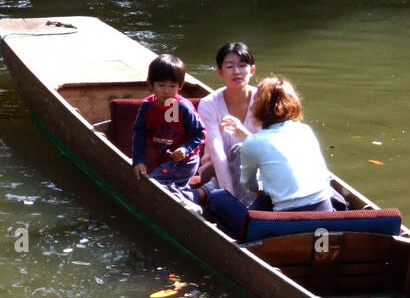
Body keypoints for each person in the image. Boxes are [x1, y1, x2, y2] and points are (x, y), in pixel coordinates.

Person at [205, 76, 334, 236]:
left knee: (217, 197)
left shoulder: (253, 143)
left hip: (286, 227)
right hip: (327, 216)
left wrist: (261, 186)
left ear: (258, 108)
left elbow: (249, 185)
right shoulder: (305, 130)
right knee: (268, 195)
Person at [188, 41, 260, 203]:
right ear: (220, 72)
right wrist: (231, 198)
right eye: (229, 66)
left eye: (242, 65)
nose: (237, 72)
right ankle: (245, 208)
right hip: (215, 168)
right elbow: (217, 153)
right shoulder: (209, 104)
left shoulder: (263, 99)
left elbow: (268, 147)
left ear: (252, 70)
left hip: (258, 167)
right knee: (243, 150)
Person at [131, 54, 206, 203]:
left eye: (172, 86)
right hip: (165, 160)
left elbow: (200, 133)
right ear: (150, 84)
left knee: (153, 185)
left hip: (185, 161)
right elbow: (139, 134)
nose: (167, 91)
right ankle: (196, 194)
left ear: (180, 86)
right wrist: (138, 160)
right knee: (161, 185)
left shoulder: (183, 107)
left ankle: (194, 197)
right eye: (161, 85)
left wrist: (185, 149)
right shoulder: (146, 106)